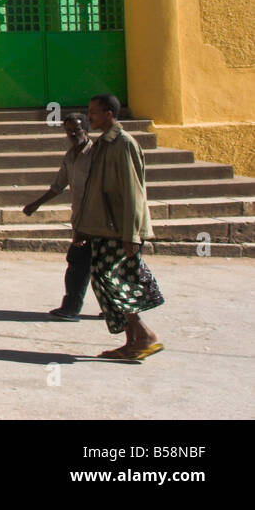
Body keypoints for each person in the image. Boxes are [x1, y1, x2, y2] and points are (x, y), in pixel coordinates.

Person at [75, 94, 165, 361]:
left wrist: (132, 234)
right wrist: (82, 227)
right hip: (104, 228)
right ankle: (133, 342)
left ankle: (145, 334)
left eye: (94, 112)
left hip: (120, 230)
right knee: (105, 278)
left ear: (109, 115)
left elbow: (133, 193)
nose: (88, 117)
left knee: (110, 278)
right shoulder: (103, 144)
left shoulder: (123, 144)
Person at [23, 112, 96, 321]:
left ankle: (75, 308)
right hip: (80, 218)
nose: (73, 134)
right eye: (69, 131)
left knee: (83, 264)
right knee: (82, 264)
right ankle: (75, 307)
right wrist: (35, 204)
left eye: (77, 130)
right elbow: (58, 186)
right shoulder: (71, 156)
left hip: (96, 220)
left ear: (87, 130)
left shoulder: (96, 154)